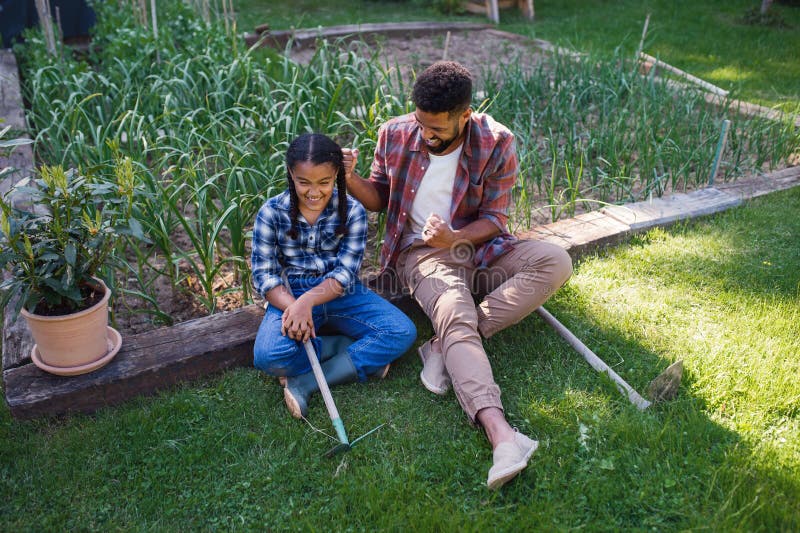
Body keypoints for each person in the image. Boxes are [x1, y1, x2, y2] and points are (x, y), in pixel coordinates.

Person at [344, 61, 573, 489]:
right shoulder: (394, 133)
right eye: (421, 125)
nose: (426, 136)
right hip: (422, 255)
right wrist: (351, 178)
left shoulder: (497, 141)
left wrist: (455, 237)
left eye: (437, 130)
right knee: (454, 310)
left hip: (477, 246)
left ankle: (441, 344)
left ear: (464, 115)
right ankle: (502, 435)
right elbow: (377, 197)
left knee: (555, 261)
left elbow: (495, 217)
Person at [251, 132, 417, 419]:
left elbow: (344, 274)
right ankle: (344, 348)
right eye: (303, 182)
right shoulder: (271, 212)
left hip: (341, 292)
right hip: (292, 292)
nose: (313, 192)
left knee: (401, 331)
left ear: (336, 175)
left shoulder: (352, 211)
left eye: (324, 182)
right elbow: (264, 275)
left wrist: (309, 303)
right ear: (291, 174)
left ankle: (306, 381)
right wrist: (295, 305)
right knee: (268, 356)